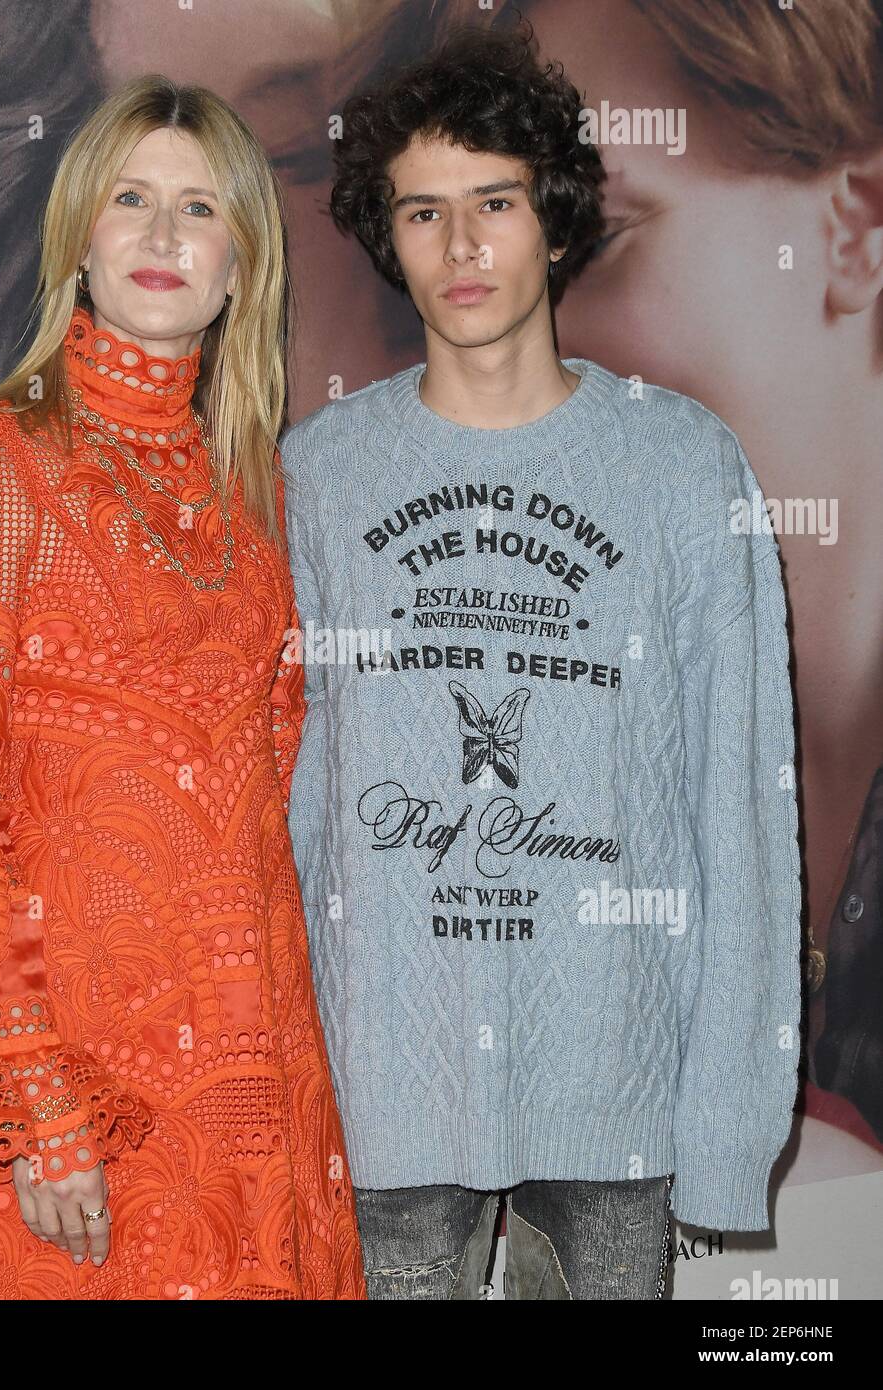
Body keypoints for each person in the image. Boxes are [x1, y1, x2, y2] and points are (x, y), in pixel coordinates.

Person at [278, 23, 802, 1299]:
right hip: (380, 1091)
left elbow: (739, 803)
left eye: (494, 203)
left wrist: (725, 1132)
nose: (460, 247)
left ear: (555, 220)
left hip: (612, 1076)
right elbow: (274, 801)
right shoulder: (313, 479)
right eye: (421, 212)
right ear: (385, 238)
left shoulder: (684, 469)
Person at [0, 73, 365, 1301]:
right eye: (129, 197)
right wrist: (42, 1107)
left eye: (198, 209)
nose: (157, 231)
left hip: (249, 1111)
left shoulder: (259, 509)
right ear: (78, 237)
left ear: (241, 268)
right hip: (56, 1113)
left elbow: (259, 830)